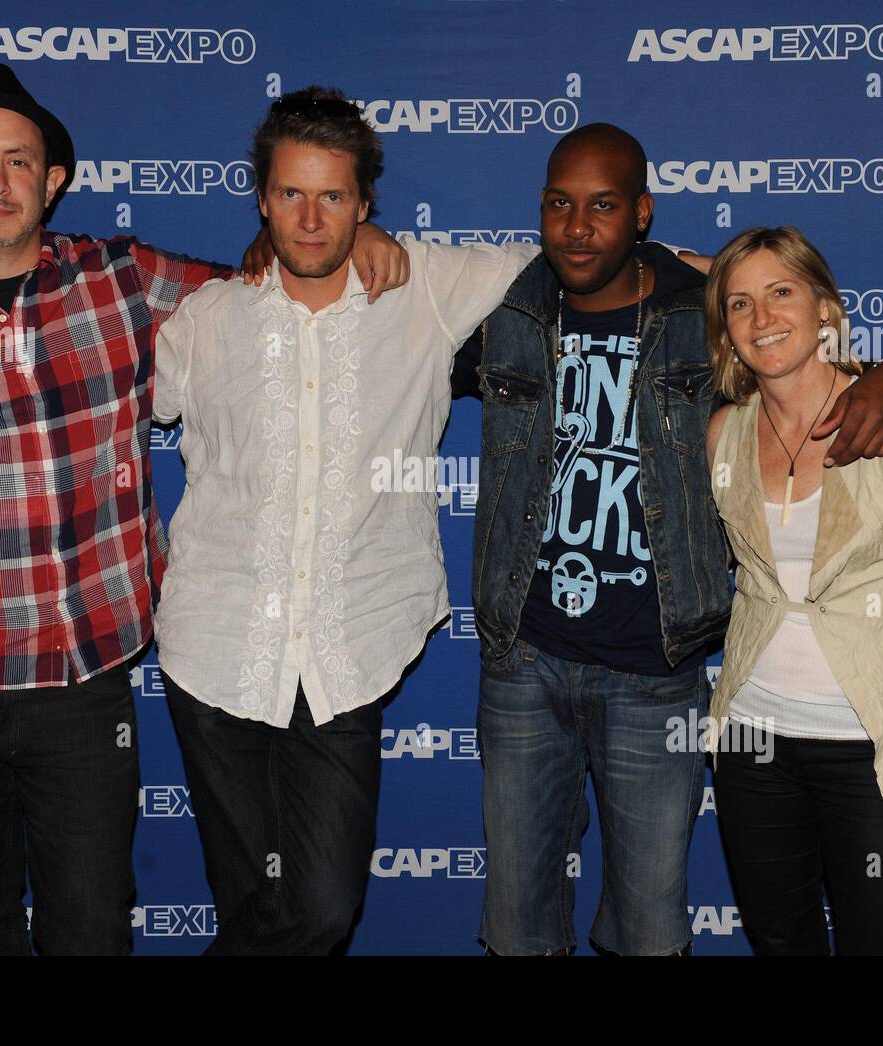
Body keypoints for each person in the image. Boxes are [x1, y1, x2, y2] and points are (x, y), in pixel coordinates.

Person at [0, 64, 403, 956]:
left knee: (91, 932)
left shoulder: (124, 280)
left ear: (52, 181)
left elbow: (276, 289)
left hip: (79, 687)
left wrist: (362, 244)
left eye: (18, 162)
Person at [459, 125, 883, 955]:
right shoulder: (505, 311)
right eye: (558, 205)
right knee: (517, 929)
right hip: (522, 665)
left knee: (649, 933)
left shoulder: (696, 316)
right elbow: (371, 323)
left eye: (604, 206)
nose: (577, 227)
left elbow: (784, 325)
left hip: (656, 672)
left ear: (641, 213)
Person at [151, 86, 543, 954]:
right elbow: (96, 361)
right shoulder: (209, 318)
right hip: (215, 646)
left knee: (323, 909)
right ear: (261, 197)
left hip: (347, 644)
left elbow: (586, 253)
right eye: (291, 193)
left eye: (334, 196)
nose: (311, 217)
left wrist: (760, 280)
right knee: (250, 908)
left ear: (366, 203)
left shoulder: (428, 287)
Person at [703, 226, 883, 955]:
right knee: (781, 946)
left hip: (875, 751)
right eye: (739, 304)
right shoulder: (724, 433)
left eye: (781, 294)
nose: (762, 318)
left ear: (826, 310)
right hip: (752, 742)